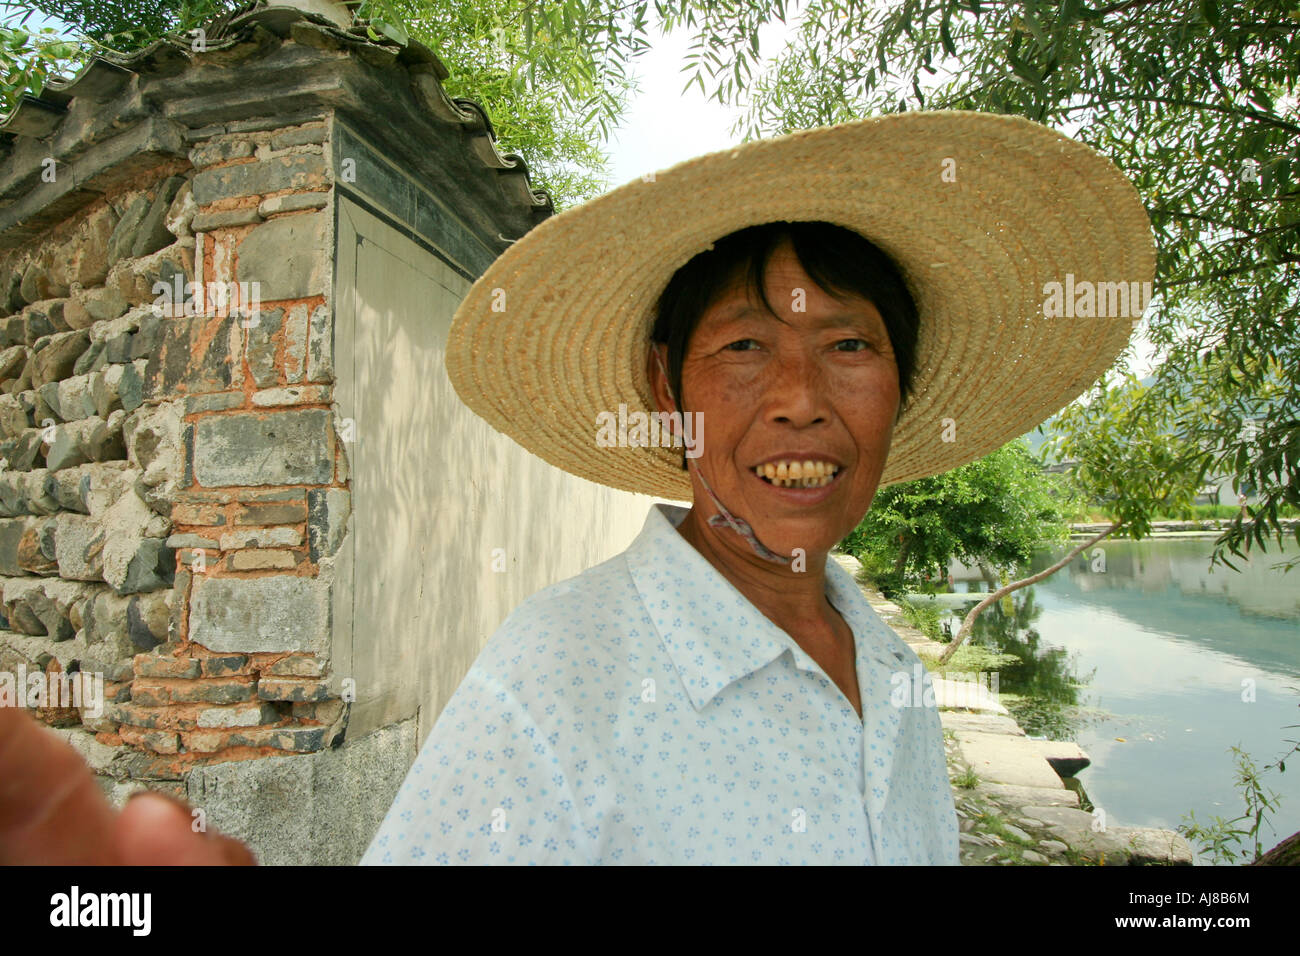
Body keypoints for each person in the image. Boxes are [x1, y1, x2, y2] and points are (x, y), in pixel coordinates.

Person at [0, 110, 1154, 865]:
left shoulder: (892, 665)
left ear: (900, 389)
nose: (800, 397)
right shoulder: (565, 668)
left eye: (849, 345)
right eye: (744, 347)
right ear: (665, 385)